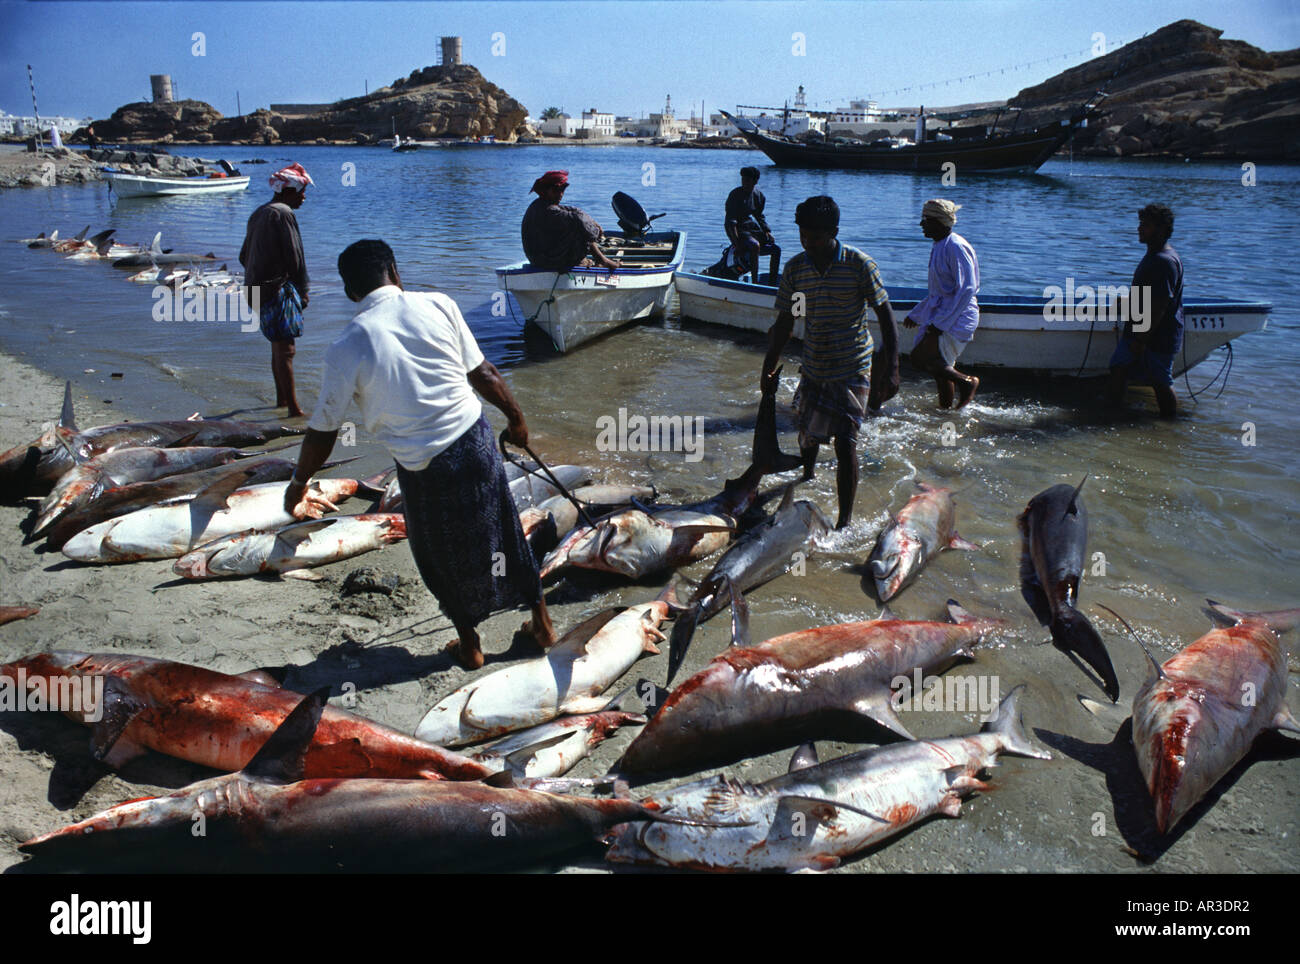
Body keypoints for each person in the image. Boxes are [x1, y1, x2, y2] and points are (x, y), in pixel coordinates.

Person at [284, 240, 556, 670]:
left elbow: (323, 432)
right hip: (475, 440)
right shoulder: (439, 304)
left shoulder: (345, 346)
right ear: (393, 269)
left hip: (422, 467)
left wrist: (298, 484)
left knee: (438, 556)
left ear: (350, 291)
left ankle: (470, 646)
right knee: (503, 532)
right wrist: (516, 420)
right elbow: (484, 373)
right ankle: (542, 623)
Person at [760, 196, 899, 530]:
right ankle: (807, 475)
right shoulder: (796, 269)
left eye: (817, 238)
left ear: (834, 232)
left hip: (852, 365)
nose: (809, 244)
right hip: (814, 364)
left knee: (845, 440)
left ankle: (844, 522)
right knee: (807, 435)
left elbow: (886, 315)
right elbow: (784, 322)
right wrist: (769, 363)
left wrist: (892, 366)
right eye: (803, 236)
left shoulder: (859, 264)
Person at [240, 162, 313, 417]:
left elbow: (243, 255)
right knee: (287, 349)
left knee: (277, 346)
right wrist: (303, 290)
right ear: (287, 191)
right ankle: (294, 410)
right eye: (301, 192)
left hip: (255, 289)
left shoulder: (259, 212)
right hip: (274, 288)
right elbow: (296, 258)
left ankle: (282, 401)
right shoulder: (283, 213)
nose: (303, 198)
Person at [1105, 203, 1183, 418]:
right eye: (1140, 224)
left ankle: (1170, 422)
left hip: (1156, 334)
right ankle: (1113, 414)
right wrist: (1125, 302)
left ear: (1161, 229)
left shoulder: (1163, 261)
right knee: (1118, 366)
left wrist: (1141, 339)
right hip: (1142, 329)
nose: (1139, 229)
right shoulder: (1156, 255)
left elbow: (1159, 305)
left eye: (1145, 225)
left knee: (1160, 380)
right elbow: (1149, 295)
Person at [903, 199, 981, 409]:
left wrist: (940, 325)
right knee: (942, 368)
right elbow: (939, 292)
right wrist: (917, 314)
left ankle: (967, 382)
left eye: (926, 220)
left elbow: (966, 289)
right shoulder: (940, 245)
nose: (921, 224)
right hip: (944, 313)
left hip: (958, 316)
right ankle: (946, 411)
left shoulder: (955, 246)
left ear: (940, 222)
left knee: (920, 358)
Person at [521, 170, 619, 271]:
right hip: (546, 261)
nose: (560, 194)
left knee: (579, 222)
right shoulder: (549, 211)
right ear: (546, 190)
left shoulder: (538, 204)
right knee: (579, 226)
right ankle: (598, 260)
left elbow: (572, 210)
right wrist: (595, 229)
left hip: (538, 259)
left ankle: (601, 260)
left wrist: (591, 221)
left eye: (562, 190)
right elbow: (583, 224)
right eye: (556, 190)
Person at [725, 166, 780, 280]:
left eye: (748, 180)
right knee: (755, 245)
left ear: (755, 181)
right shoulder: (735, 195)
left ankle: (772, 282)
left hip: (751, 228)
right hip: (739, 230)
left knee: (776, 249)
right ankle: (755, 282)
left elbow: (759, 216)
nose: (744, 183)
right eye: (743, 180)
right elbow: (730, 222)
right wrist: (736, 244)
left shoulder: (759, 195)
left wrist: (767, 231)